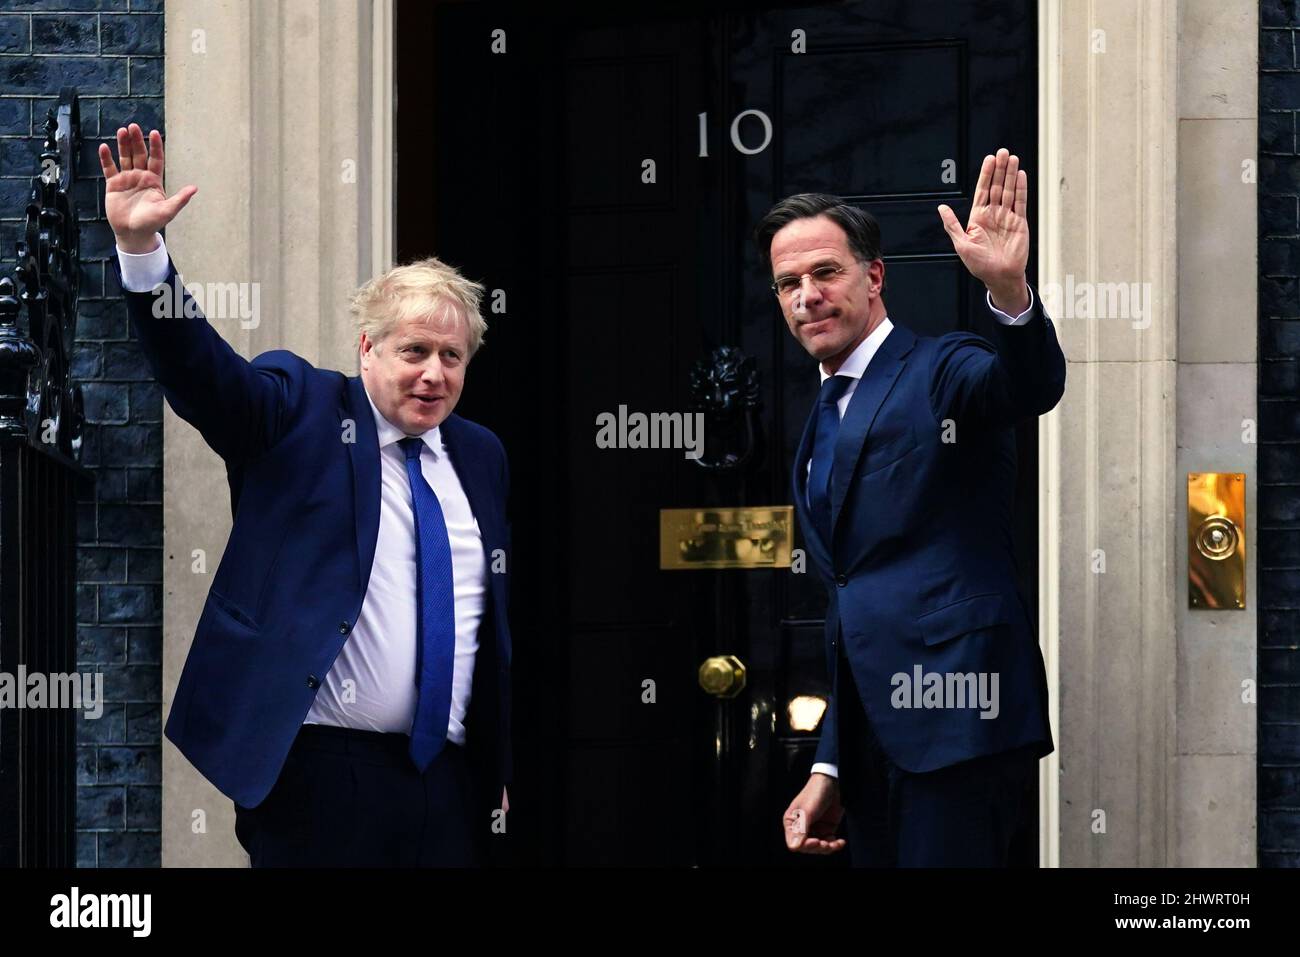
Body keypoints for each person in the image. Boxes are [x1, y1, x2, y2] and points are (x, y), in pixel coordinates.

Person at [99, 123, 512, 867]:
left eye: (452, 356)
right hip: (320, 775)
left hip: (445, 782)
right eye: (413, 350)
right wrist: (143, 254)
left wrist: (495, 760)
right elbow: (204, 374)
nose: (433, 373)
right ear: (367, 348)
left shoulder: (480, 455)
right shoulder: (301, 408)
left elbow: (490, 621)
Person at [767, 150, 1065, 866]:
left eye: (825, 272)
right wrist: (829, 765)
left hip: (961, 721)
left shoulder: (941, 369)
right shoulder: (817, 420)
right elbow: (855, 600)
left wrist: (1010, 293)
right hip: (872, 750)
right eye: (787, 283)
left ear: (873, 277)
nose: (806, 294)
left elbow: (1028, 387)